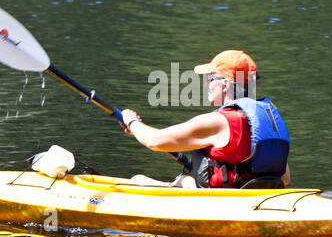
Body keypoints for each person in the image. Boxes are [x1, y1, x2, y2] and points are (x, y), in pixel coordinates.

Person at [121, 50, 291, 188]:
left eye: (210, 78)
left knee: (137, 180)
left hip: (224, 203)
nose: (206, 84)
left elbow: (154, 141)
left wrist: (132, 122)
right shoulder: (269, 120)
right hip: (262, 197)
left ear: (224, 84)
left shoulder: (218, 122)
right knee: (185, 181)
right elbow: (285, 178)